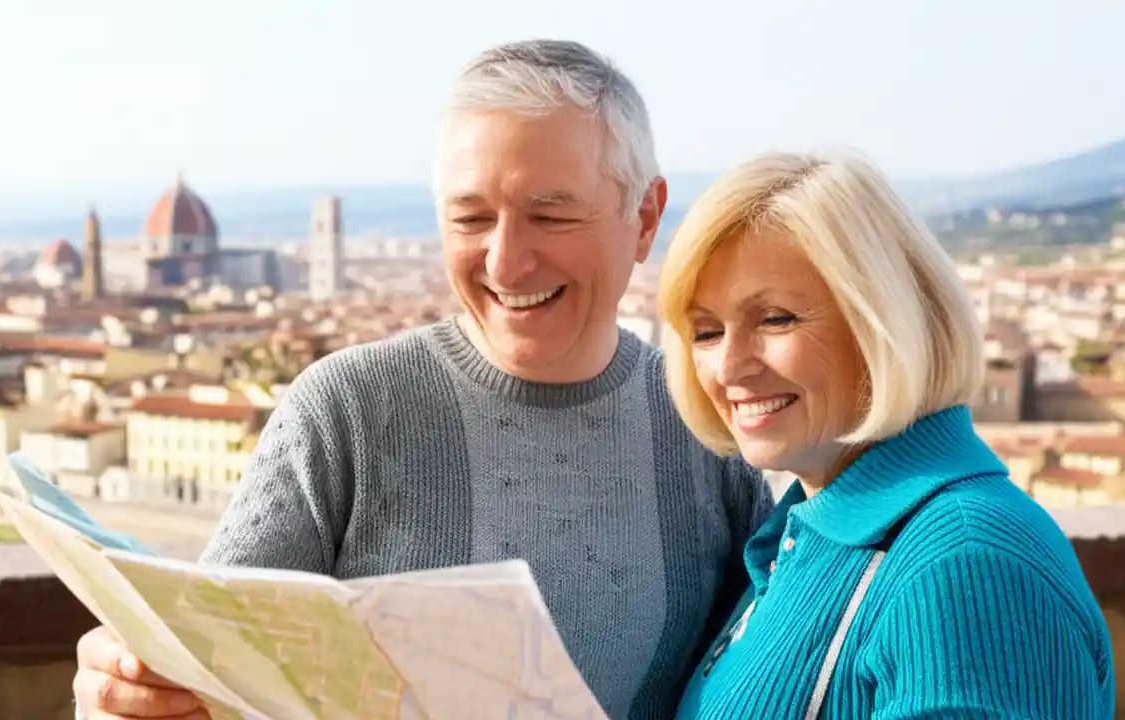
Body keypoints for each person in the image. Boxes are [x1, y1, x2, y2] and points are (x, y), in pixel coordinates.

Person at [71, 40, 772, 720]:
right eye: (471, 218)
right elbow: (205, 677)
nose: (505, 263)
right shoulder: (345, 413)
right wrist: (123, 697)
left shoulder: (705, 423)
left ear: (644, 218)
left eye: (550, 215)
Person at [657, 151, 1115, 719]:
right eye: (706, 332)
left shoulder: (965, 563)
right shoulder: (812, 532)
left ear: (884, 323)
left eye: (775, 318)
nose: (728, 367)